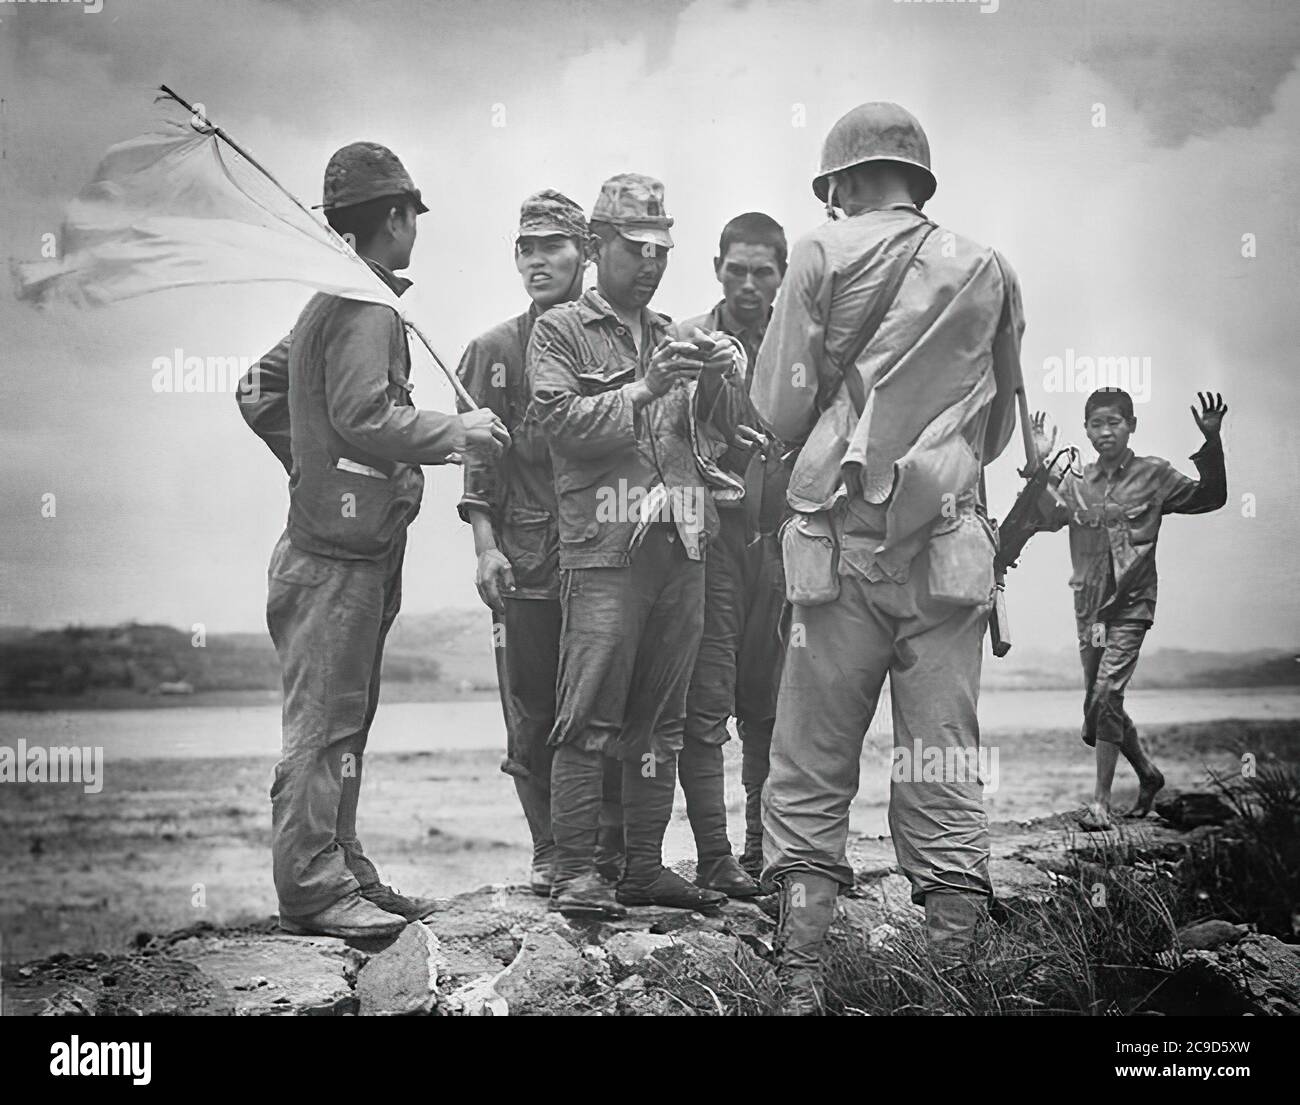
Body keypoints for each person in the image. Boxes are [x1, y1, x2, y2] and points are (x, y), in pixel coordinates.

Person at [751, 102, 1025, 1008]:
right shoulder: (988, 265)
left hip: (840, 549)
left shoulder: (820, 253)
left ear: (841, 181)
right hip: (946, 552)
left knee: (810, 763)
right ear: (917, 176)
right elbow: (989, 431)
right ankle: (949, 982)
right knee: (941, 760)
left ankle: (801, 986)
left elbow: (781, 411)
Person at [241, 142, 509, 939]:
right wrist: (453, 431)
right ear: (395, 219)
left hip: (341, 551)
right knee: (323, 727)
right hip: (333, 564)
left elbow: (258, 391)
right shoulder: (366, 306)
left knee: (343, 721)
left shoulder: (334, 298)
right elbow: (364, 414)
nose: (414, 229)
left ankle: (341, 861)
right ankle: (314, 890)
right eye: (411, 216)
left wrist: (318, 466)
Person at [527, 173, 747, 918]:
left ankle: (645, 866)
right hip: (605, 551)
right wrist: (644, 391)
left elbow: (714, 438)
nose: (651, 262)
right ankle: (577, 873)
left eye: (661, 248)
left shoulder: (672, 335)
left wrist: (724, 379)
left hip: (679, 545)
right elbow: (558, 424)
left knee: (664, 719)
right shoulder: (560, 330)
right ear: (597, 247)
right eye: (636, 247)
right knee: (587, 714)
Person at [455, 189, 598, 897]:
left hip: (604, 561)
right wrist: (486, 546)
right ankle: (548, 848)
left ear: (587, 254)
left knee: (605, 705)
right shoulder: (494, 351)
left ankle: (602, 851)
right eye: (527, 247)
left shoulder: (611, 341)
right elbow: (479, 467)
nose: (537, 259)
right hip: (528, 562)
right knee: (532, 710)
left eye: (553, 246)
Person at [1031, 389, 1228, 831]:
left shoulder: (1153, 475)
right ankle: (1149, 774)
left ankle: (1099, 803)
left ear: (1131, 425)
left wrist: (1212, 441)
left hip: (1133, 604)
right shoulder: (1074, 483)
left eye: (1114, 423)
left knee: (1106, 696)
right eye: (1097, 424)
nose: (1105, 432)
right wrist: (1038, 463)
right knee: (1100, 701)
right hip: (1089, 608)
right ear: (1086, 430)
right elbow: (1039, 516)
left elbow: (1210, 497)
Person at [678, 213, 789, 895]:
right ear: (717, 265)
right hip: (713, 545)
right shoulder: (689, 340)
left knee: (772, 706)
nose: (748, 285)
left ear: (781, 274)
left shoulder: (801, 346)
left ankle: (762, 850)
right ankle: (715, 856)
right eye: (736, 270)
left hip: (783, 546)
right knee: (707, 698)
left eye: (763, 272)